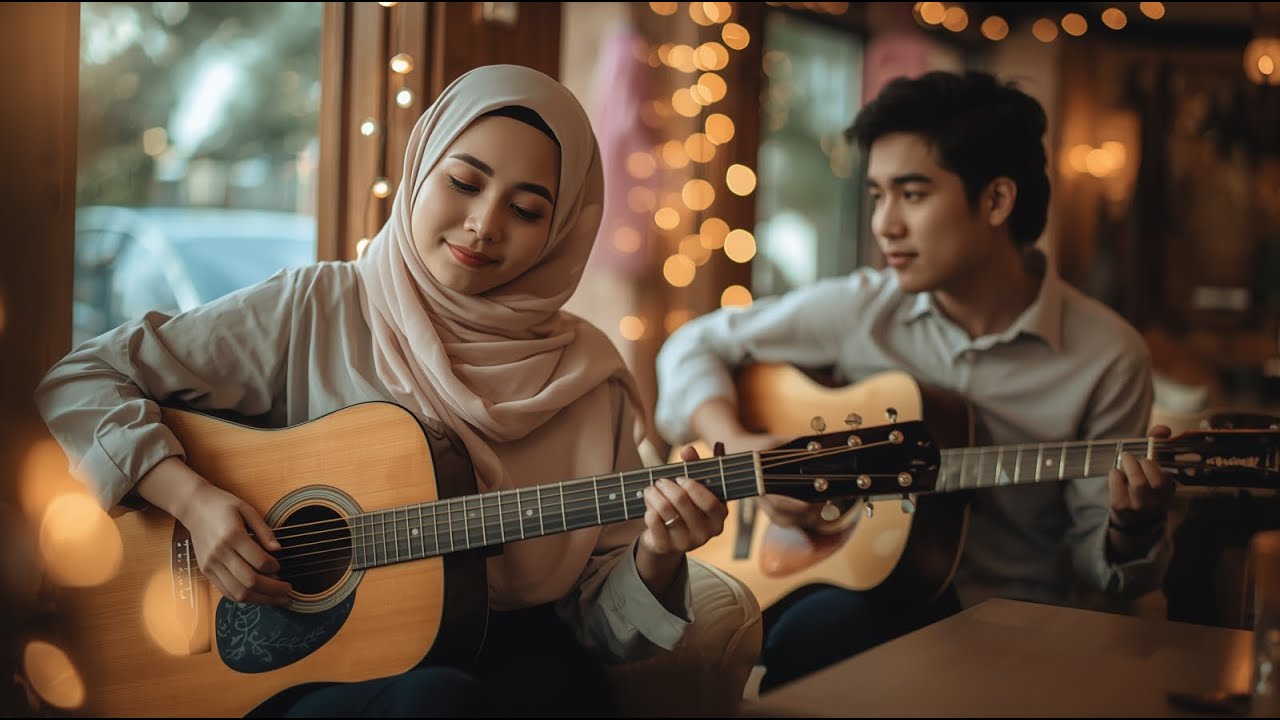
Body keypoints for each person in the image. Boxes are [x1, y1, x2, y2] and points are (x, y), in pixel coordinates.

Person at [36, 64, 727, 717]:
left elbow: (602, 628)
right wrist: (192, 501)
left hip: (513, 665)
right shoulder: (316, 306)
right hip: (301, 662)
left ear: (560, 230)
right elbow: (81, 379)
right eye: (463, 181)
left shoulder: (589, 381)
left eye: (525, 209)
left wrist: (659, 551)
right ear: (421, 168)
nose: (485, 224)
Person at [654, 70, 1173, 692]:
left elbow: (1102, 569)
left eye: (912, 194)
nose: (884, 224)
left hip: (1009, 620)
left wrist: (1132, 526)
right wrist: (740, 446)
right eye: (877, 196)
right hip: (851, 592)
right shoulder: (862, 308)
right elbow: (691, 344)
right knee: (816, 635)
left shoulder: (1108, 356)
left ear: (996, 201)